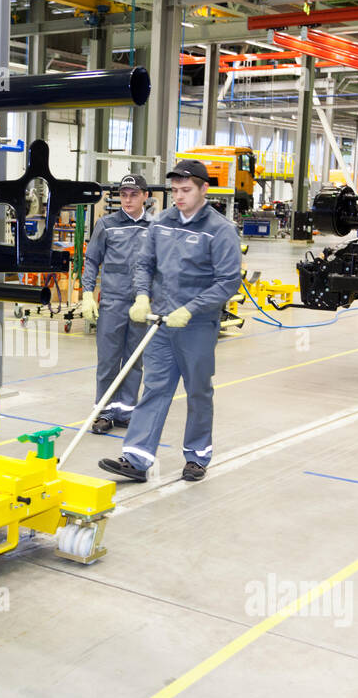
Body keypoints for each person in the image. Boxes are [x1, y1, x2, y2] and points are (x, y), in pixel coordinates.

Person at [98, 159, 242, 483]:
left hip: (196, 327)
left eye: (186, 190)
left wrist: (192, 309)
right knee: (155, 389)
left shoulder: (220, 230)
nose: (179, 196)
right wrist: (141, 296)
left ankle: (197, 456)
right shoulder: (161, 223)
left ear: (204, 189)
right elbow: (144, 265)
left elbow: (228, 281)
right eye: (175, 190)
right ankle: (136, 459)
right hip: (161, 323)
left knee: (198, 392)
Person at [80, 173, 153, 433]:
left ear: (145, 196)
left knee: (134, 360)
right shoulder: (107, 225)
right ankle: (104, 411)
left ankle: (126, 411)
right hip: (113, 302)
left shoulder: (154, 227)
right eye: (123, 195)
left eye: (134, 194)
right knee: (109, 360)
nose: (128, 199)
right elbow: (91, 260)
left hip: (142, 304)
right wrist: (87, 293)